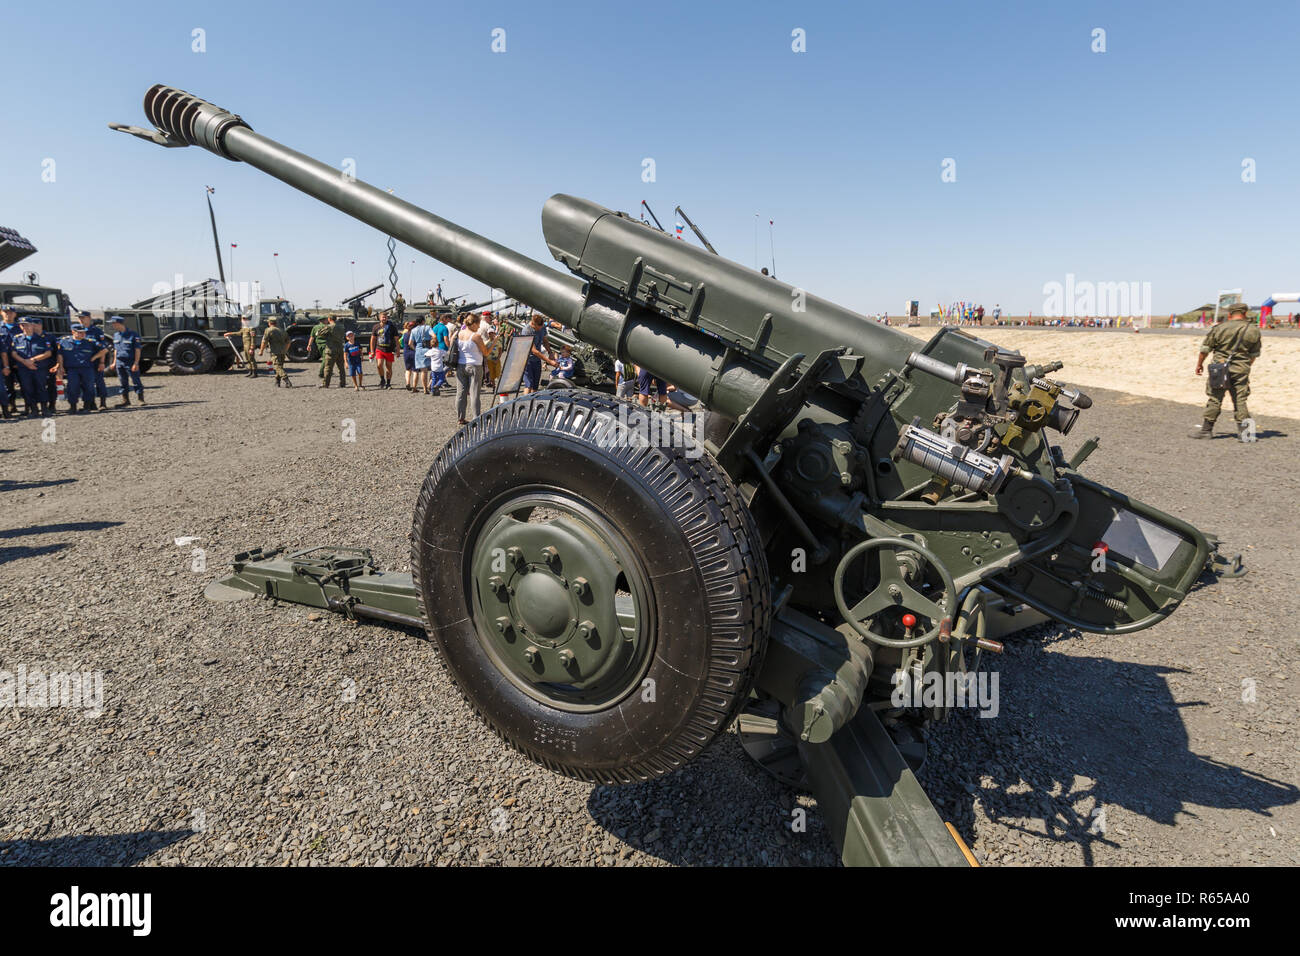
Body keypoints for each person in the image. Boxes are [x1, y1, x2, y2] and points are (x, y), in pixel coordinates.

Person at [1192, 302, 1261, 440]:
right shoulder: (1253, 330)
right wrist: (1244, 366)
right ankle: (1245, 434)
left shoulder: (1219, 328)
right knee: (1240, 400)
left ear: (1230, 314)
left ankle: (1206, 430)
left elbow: (1205, 349)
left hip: (1219, 369)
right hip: (1241, 369)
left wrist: (1199, 364)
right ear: (1245, 313)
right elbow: (1254, 354)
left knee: (1215, 398)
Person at [57, 322, 108, 413]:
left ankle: (87, 406)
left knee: (89, 387)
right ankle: (73, 406)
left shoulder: (90, 342)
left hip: (87, 368)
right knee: (72, 387)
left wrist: (94, 358)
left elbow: (104, 350)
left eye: (84, 332)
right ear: (73, 332)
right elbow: (60, 355)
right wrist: (60, 367)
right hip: (72, 369)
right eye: (80, 332)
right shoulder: (64, 341)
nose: (83, 334)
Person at [454, 314, 496, 424]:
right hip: (475, 366)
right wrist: (493, 342)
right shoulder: (476, 336)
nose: (479, 327)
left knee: (461, 393)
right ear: (473, 324)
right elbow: (485, 353)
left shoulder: (459, 333)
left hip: (461, 365)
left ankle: (460, 417)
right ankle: (476, 418)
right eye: (478, 324)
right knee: (474, 394)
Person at [9, 318, 55, 416]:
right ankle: (33, 409)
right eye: (22, 325)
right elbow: (14, 353)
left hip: (39, 368)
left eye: (27, 324)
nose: (25, 327)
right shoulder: (17, 339)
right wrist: (25, 362)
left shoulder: (42, 338)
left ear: (32, 325)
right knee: (28, 388)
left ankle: (44, 408)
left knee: (41, 387)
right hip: (24, 369)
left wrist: (32, 360)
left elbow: (48, 353)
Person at [109, 316, 146, 405]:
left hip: (130, 361)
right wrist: (114, 362)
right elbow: (116, 350)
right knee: (122, 381)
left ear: (118, 323)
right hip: (119, 362)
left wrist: (136, 363)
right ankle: (125, 400)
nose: (112, 325)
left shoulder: (133, 334)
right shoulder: (116, 335)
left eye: (113, 323)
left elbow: (137, 349)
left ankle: (140, 399)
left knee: (136, 381)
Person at [520, 313, 556, 394]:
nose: (540, 330)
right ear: (533, 324)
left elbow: (545, 340)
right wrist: (549, 361)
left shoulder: (542, 327)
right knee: (528, 384)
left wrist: (550, 353)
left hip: (536, 360)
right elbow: (534, 351)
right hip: (527, 360)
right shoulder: (527, 331)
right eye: (538, 328)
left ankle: (532, 403)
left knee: (535, 385)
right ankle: (526, 402)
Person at [80, 314, 111, 408]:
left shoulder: (96, 331)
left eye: (83, 318)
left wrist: (102, 362)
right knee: (86, 383)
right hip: (84, 362)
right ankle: (91, 403)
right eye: (79, 318)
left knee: (99, 382)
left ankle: (103, 403)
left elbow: (103, 348)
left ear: (89, 318)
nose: (81, 320)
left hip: (96, 361)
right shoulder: (78, 330)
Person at [257, 315, 292, 387]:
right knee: (280, 367)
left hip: (274, 351)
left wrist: (261, 351)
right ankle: (277, 381)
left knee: (277, 367)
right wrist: (285, 350)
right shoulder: (282, 330)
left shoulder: (268, 330)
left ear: (270, 323)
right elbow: (288, 342)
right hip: (282, 352)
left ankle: (287, 380)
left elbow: (264, 341)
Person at [316, 315, 346, 388]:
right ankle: (342, 383)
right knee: (341, 368)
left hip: (331, 350)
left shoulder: (329, 327)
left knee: (328, 368)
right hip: (340, 349)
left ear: (329, 319)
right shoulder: (341, 326)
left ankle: (325, 384)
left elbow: (318, 334)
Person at [370, 311, 398, 389]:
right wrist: (372, 350)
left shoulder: (392, 327)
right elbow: (373, 339)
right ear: (379, 318)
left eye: (385, 317)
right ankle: (382, 379)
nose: (384, 318)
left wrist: (398, 350)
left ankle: (388, 383)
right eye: (383, 317)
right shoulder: (376, 327)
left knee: (388, 367)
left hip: (389, 350)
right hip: (379, 349)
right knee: (379, 365)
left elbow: (396, 339)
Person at [408, 317, 434, 395]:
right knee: (434, 368)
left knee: (423, 371)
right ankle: (430, 385)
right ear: (423, 321)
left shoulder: (413, 330)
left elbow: (410, 343)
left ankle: (425, 388)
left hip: (419, 350)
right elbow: (434, 336)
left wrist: (415, 349)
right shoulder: (428, 327)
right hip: (428, 349)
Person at [430, 313, 450, 395]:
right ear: (444, 319)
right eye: (447, 319)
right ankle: (440, 382)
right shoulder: (444, 328)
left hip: (435, 348)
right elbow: (446, 338)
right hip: (443, 349)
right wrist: (449, 348)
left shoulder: (435, 327)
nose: (448, 321)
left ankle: (434, 382)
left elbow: (433, 337)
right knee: (447, 366)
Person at [400, 320, 417, 390]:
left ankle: (407, 383)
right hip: (414, 353)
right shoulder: (415, 335)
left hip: (406, 352)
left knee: (407, 369)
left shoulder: (405, 334)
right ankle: (414, 386)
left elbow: (401, 343)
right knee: (415, 371)